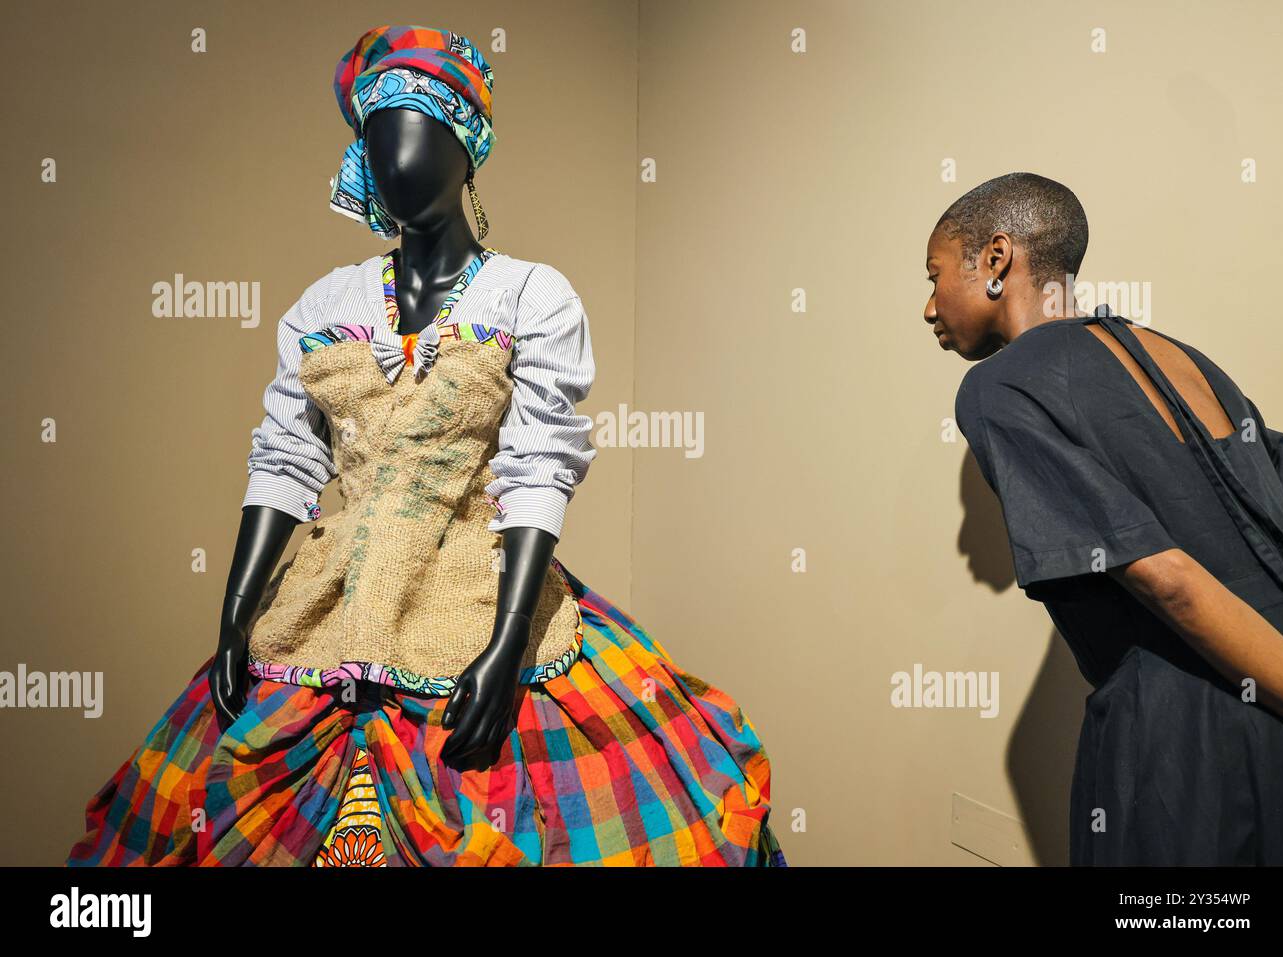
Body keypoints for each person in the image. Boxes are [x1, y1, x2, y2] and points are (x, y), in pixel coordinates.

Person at [67, 25, 785, 868]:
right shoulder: (324, 303)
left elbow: (538, 467)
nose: (396, 161)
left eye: (419, 137)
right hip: (325, 609)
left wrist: (508, 639)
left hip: (479, 602)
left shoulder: (528, 294)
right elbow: (286, 460)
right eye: (377, 142)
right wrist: (234, 617)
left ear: (467, 149)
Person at [926, 172, 1283, 865]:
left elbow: (1169, 579)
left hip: (1182, 763)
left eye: (935, 274)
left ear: (997, 259)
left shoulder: (996, 386)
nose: (928, 306)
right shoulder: (1186, 360)